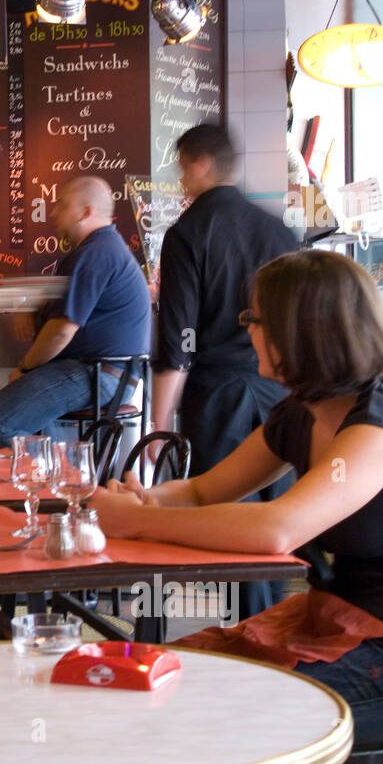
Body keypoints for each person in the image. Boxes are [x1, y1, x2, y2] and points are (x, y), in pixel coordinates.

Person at [90, 250, 383, 750]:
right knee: (145, 680)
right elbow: (204, 489)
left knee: (191, 714)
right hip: (329, 626)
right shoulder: (303, 413)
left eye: (254, 318)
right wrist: (147, 501)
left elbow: (279, 529)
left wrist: (136, 524)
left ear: (301, 330)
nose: (246, 330)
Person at [150, 124, 299, 615]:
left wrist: (159, 423)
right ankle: (278, 626)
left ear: (199, 163)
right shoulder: (278, 230)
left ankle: (251, 636)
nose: (179, 178)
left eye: (181, 166)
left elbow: (179, 341)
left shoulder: (187, 233)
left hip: (219, 396)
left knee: (235, 526)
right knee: (282, 521)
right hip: (279, 390)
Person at [0, 176, 152, 449]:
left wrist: (25, 368)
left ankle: (65, 484)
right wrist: (33, 308)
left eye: (62, 205)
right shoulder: (105, 250)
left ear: (85, 212)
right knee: (29, 422)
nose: (54, 212)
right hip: (110, 374)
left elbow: (61, 331)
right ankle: (65, 480)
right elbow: (60, 308)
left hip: (97, 374)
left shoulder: (94, 253)